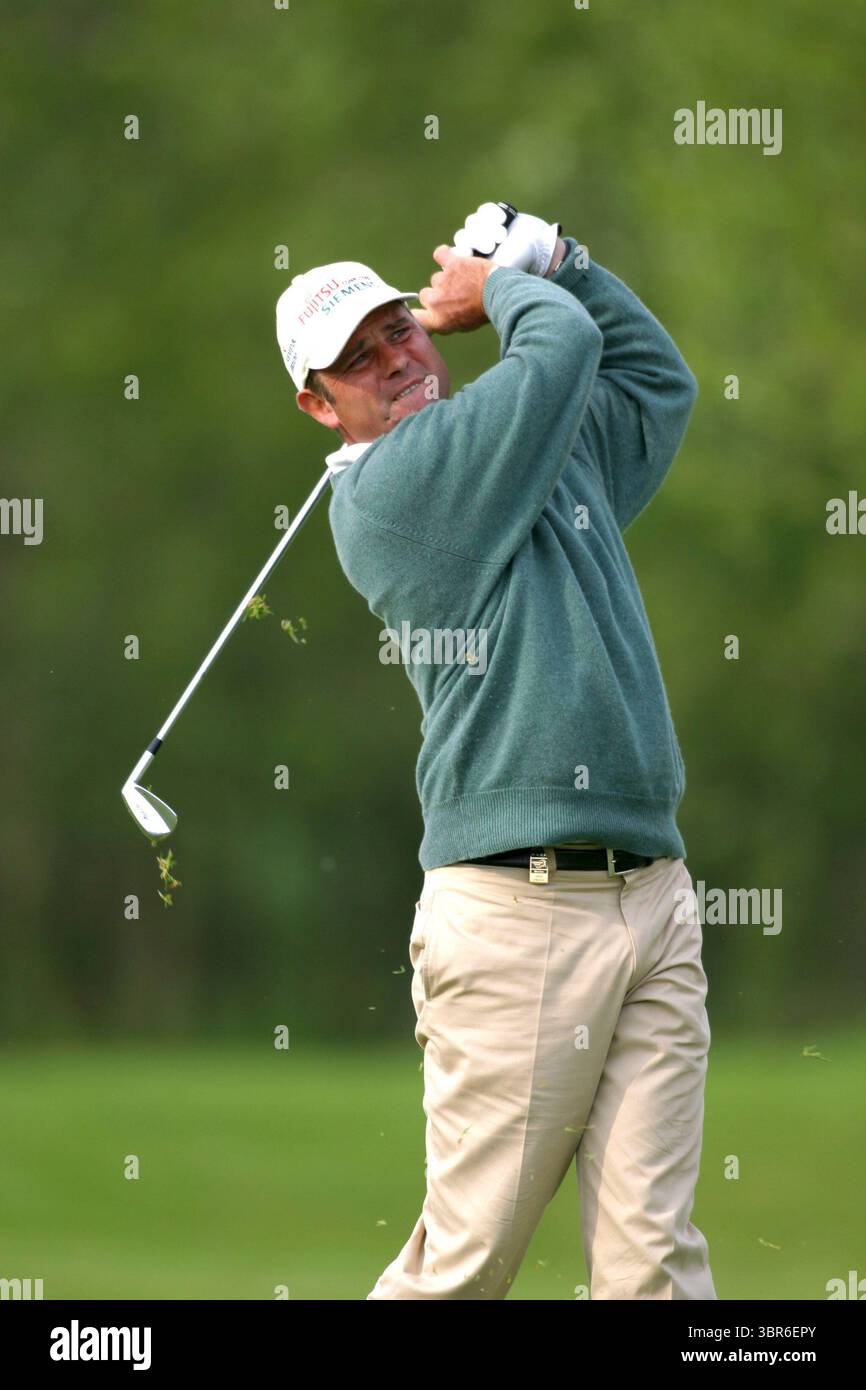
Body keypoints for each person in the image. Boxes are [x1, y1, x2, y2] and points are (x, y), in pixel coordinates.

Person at [275, 204, 715, 1300]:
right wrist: (500, 282)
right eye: (357, 360)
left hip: (649, 890)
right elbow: (558, 346)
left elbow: (657, 385)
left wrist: (566, 263)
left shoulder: (528, 447)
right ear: (318, 404)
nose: (395, 360)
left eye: (399, 328)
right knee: (463, 1270)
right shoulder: (389, 493)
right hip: (518, 918)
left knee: (650, 1265)